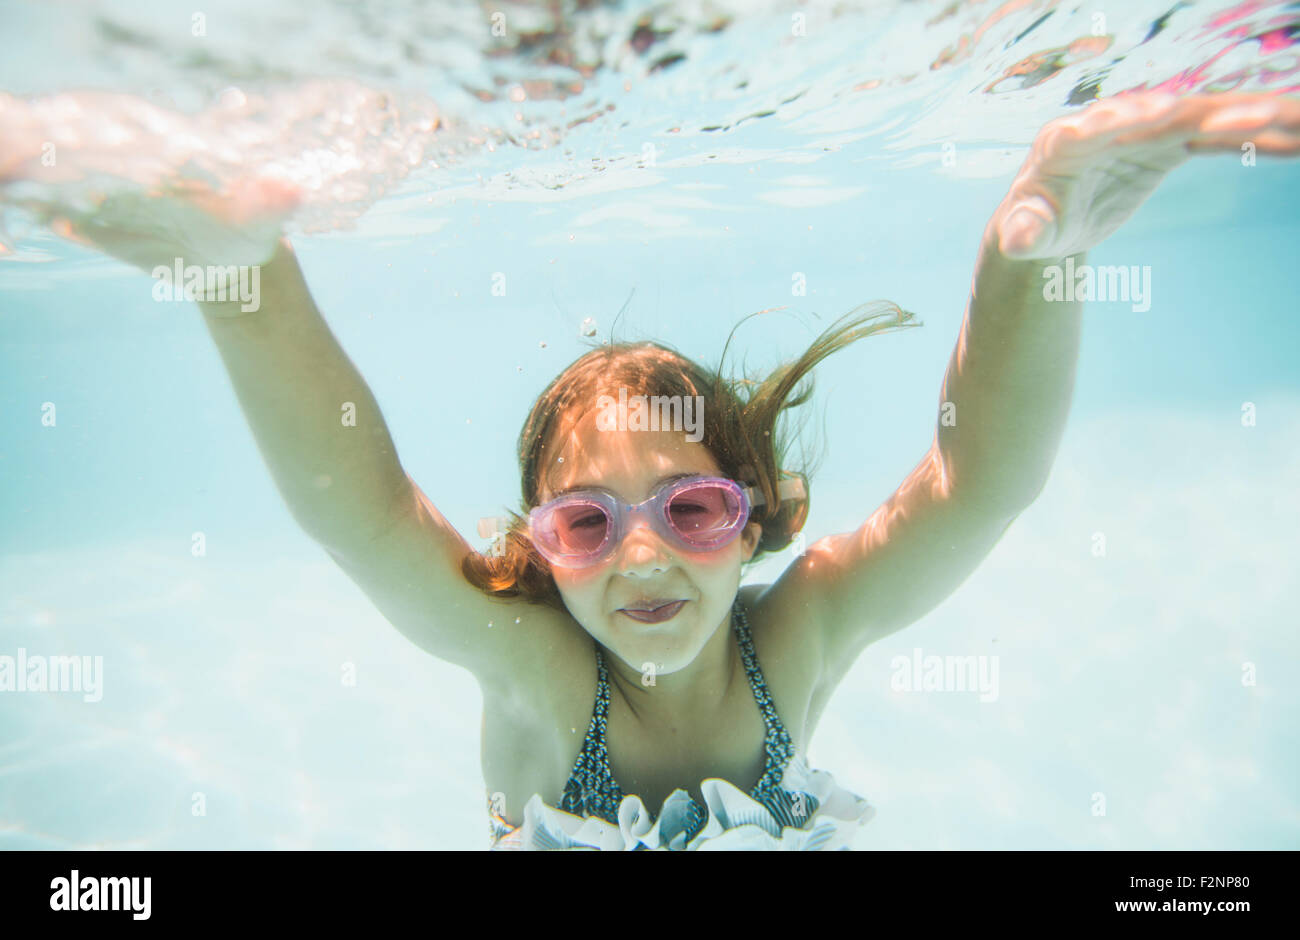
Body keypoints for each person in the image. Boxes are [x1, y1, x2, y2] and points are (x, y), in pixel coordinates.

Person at [6, 90, 1297, 849]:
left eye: (687, 508)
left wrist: (1041, 253)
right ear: (537, 550)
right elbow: (370, 517)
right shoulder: (544, 677)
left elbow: (977, 483)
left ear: (752, 522)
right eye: (585, 524)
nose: (641, 556)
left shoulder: (794, 640)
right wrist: (244, 283)